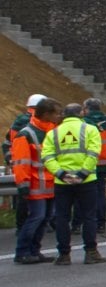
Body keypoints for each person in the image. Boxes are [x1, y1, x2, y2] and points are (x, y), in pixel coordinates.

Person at [42, 103, 106, 264]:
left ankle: (64, 254)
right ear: (81, 113)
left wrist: (61, 174)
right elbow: (93, 153)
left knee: (62, 218)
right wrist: (82, 173)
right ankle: (91, 252)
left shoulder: (53, 133)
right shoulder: (90, 129)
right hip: (86, 180)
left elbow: (47, 157)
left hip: (62, 182)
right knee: (89, 216)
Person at [11, 97, 56, 263]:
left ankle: (34, 251)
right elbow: (21, 162)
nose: (58, 116)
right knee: (36, 218)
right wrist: (23, 184)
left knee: (44, 219)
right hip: (35, 185)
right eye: (55, 113)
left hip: (50, 184)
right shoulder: (26, 134)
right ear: (46, 114)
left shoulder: (50, 131)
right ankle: (22, 252)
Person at [83, 97, 106, 232]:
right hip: (104, 163)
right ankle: (101, 222)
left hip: (87, 163)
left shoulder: (83, 122)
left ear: (87, 109)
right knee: (100, 193)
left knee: (84, 194)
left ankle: (82, 222)